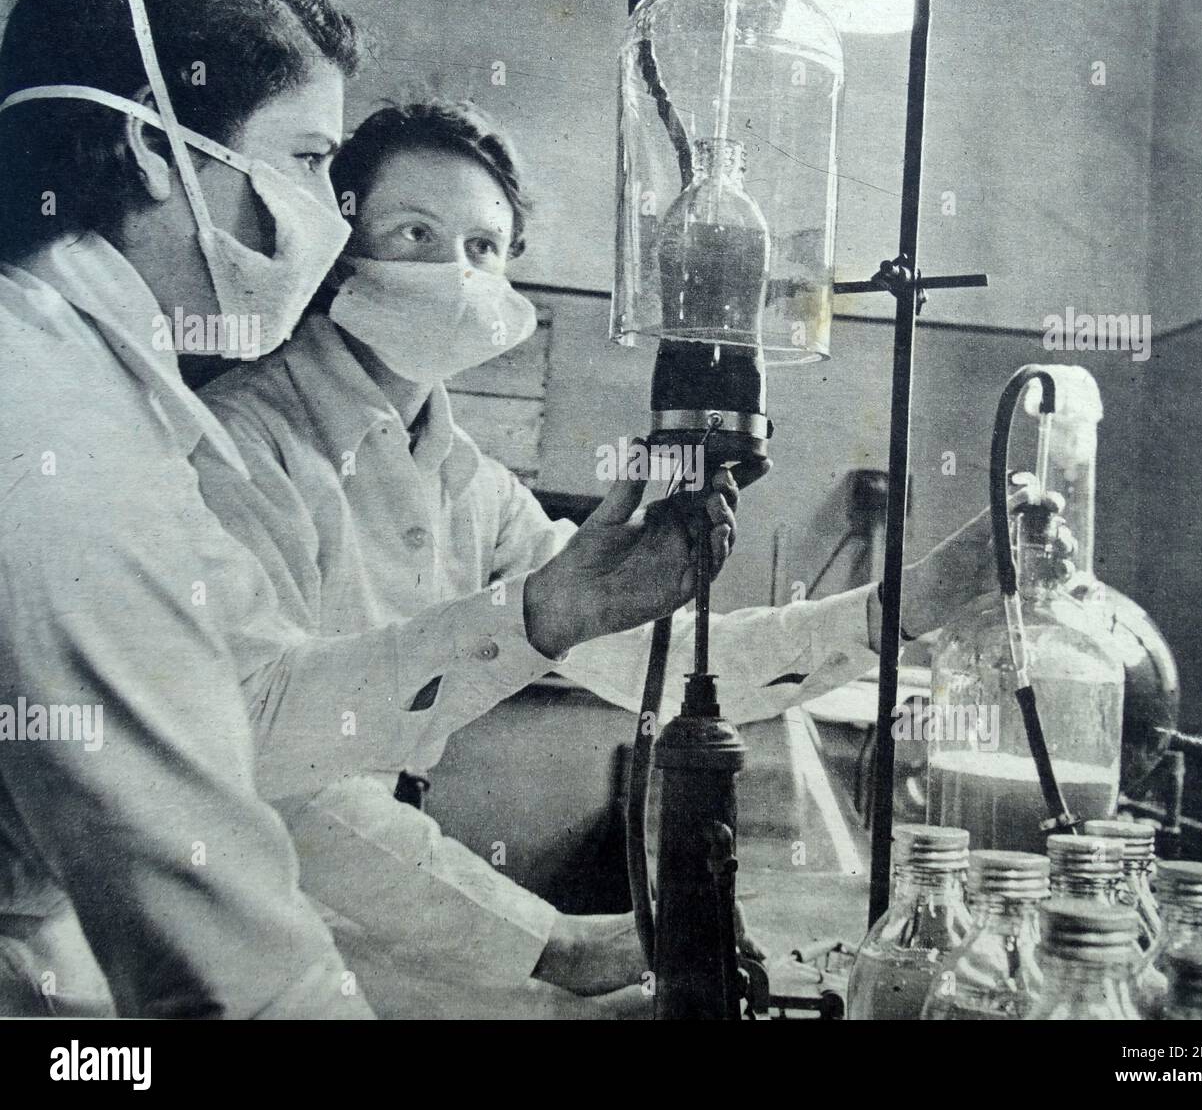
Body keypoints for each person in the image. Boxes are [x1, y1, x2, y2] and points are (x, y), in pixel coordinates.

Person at [0, 0, 729, 1019]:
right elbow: (210, 926)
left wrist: (546, 611)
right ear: (155, 150)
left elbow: (253, 706)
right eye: (303, 161)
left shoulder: (103, 392)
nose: (319, 214)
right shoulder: (58, 426)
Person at [192, 98, 1008, 1016]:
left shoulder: (473, 486)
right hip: (224, 922)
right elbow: (251, 759)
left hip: (379, 906)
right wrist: (558, 942)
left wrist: (903, 606)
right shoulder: (236, 443)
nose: (455, 275)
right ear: (338, 245)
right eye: (414, 233)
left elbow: (665, 661)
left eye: (483, 248)